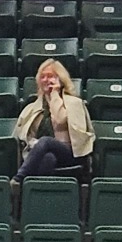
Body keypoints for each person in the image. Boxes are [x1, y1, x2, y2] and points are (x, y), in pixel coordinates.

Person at [11, 61, 93, 189]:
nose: (46, 80)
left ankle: (18, 179)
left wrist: (54, 94)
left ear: (60, 79)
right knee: (48, 159)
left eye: (50, 76)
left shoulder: (74, 103)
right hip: (39, 153)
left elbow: (60, 120)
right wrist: (33, 143)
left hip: (71, 153)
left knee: (46, 142)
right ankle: (43, 197)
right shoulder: (31, 108)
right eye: (42, 76)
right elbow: (23, 136)